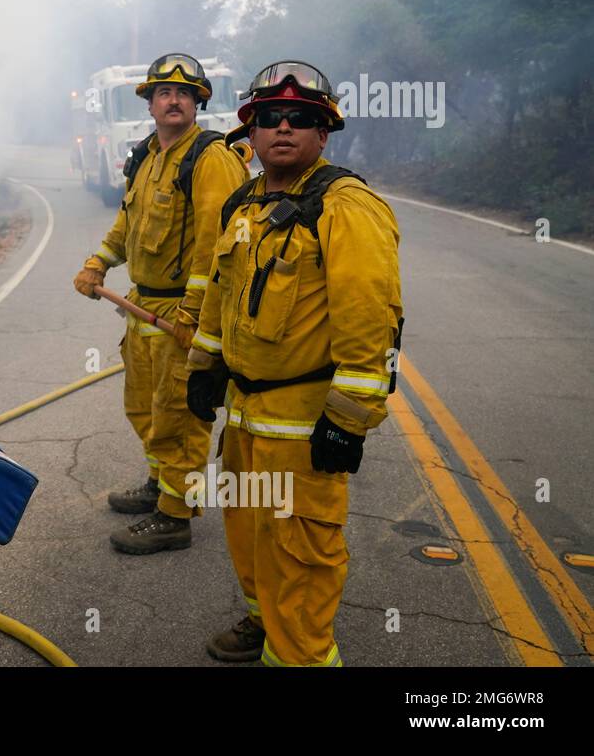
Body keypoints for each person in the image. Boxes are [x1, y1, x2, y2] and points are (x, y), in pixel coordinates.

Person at [186, 60, 403, 666]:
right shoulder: (242, 204)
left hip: (304, 423)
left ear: (323, 133)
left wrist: (350, 415)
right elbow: (218, 293)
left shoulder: (345, 205)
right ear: (250, 134)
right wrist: (205, 365)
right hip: (247, 415)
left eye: (301, 119)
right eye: (271, 118)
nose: (284, 128)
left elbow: (370, 317)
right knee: (249, 531)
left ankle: (301, 656)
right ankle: (261, 620)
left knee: (301, 550)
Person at [73, 54, 248, 553]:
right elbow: (127, 224)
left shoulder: (210, 159)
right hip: (142, 308)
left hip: (181, 313)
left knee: (180, 417)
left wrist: (195, 312)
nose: (174, 100)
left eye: (184, 94)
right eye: (164, 93)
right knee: (145, 408)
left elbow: (217, 244)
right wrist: (97, 264)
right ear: (150, 104)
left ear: (199, 103)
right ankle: (159, 486)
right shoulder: (147, 157)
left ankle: (175, 516)